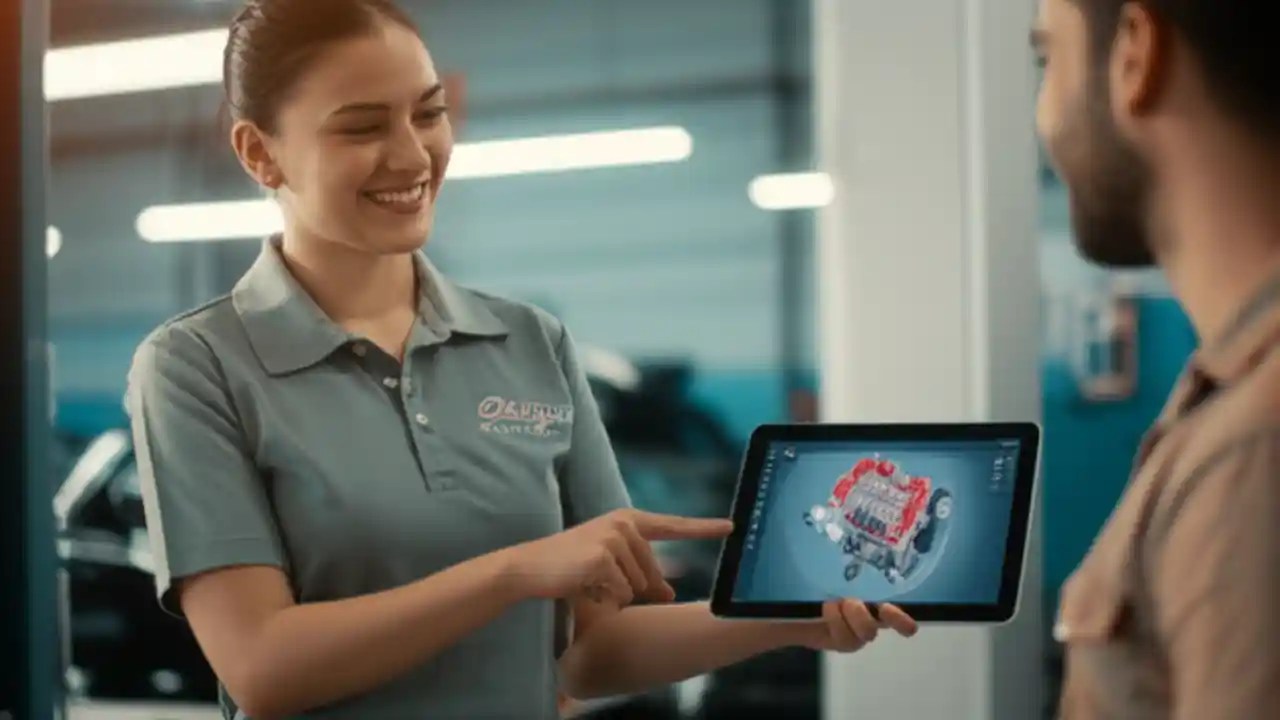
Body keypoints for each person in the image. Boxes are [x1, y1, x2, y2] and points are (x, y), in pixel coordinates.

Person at [124, 1, 918, 718]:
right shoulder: (196, 367)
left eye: (428, 114)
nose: (413, 156)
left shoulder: (531, 342)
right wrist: (512, 574)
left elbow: (597, 652)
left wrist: (786, 620)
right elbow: (265, 670)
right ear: (260, 154)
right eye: (362, 127)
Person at [1032, 0, 1280, 717]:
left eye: (1047, 61)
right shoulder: (1229, 396)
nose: (1043, 114)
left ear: (1137, 53)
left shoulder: (1255, 446)